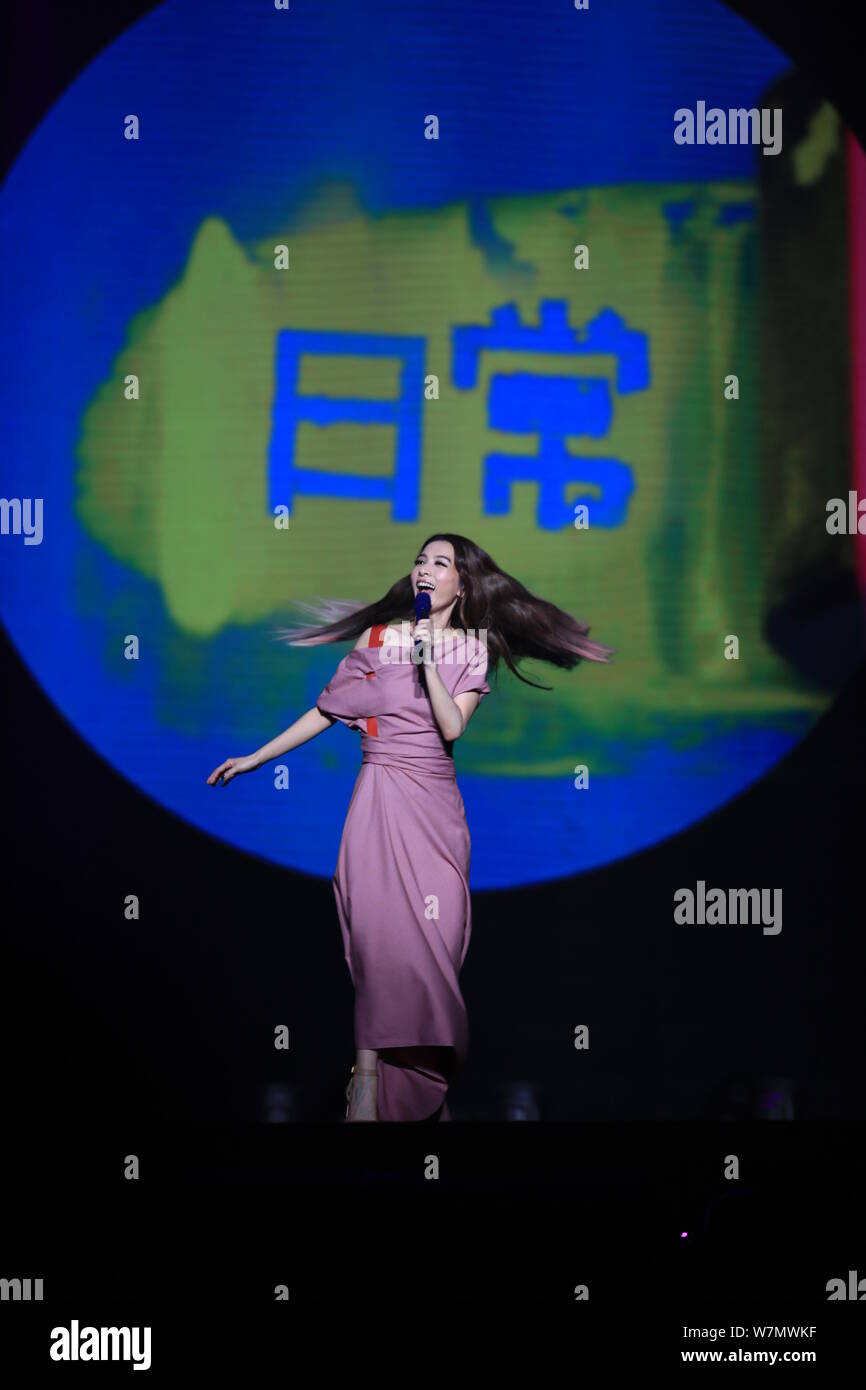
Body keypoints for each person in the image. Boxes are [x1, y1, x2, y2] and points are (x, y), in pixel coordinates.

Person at [207, 532, 613, 1121]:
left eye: (440, 563)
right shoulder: (378, 639)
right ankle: (365, 1078)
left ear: (463, 583)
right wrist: (257, 758)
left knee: (433, 951)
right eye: (421, 560)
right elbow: (327, 709)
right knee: (377, 942)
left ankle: (419, 1098)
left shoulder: (474, 649)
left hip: (435, 813)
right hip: (380, 801)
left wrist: (427, 661)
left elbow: (451, 728)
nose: (425, 570)